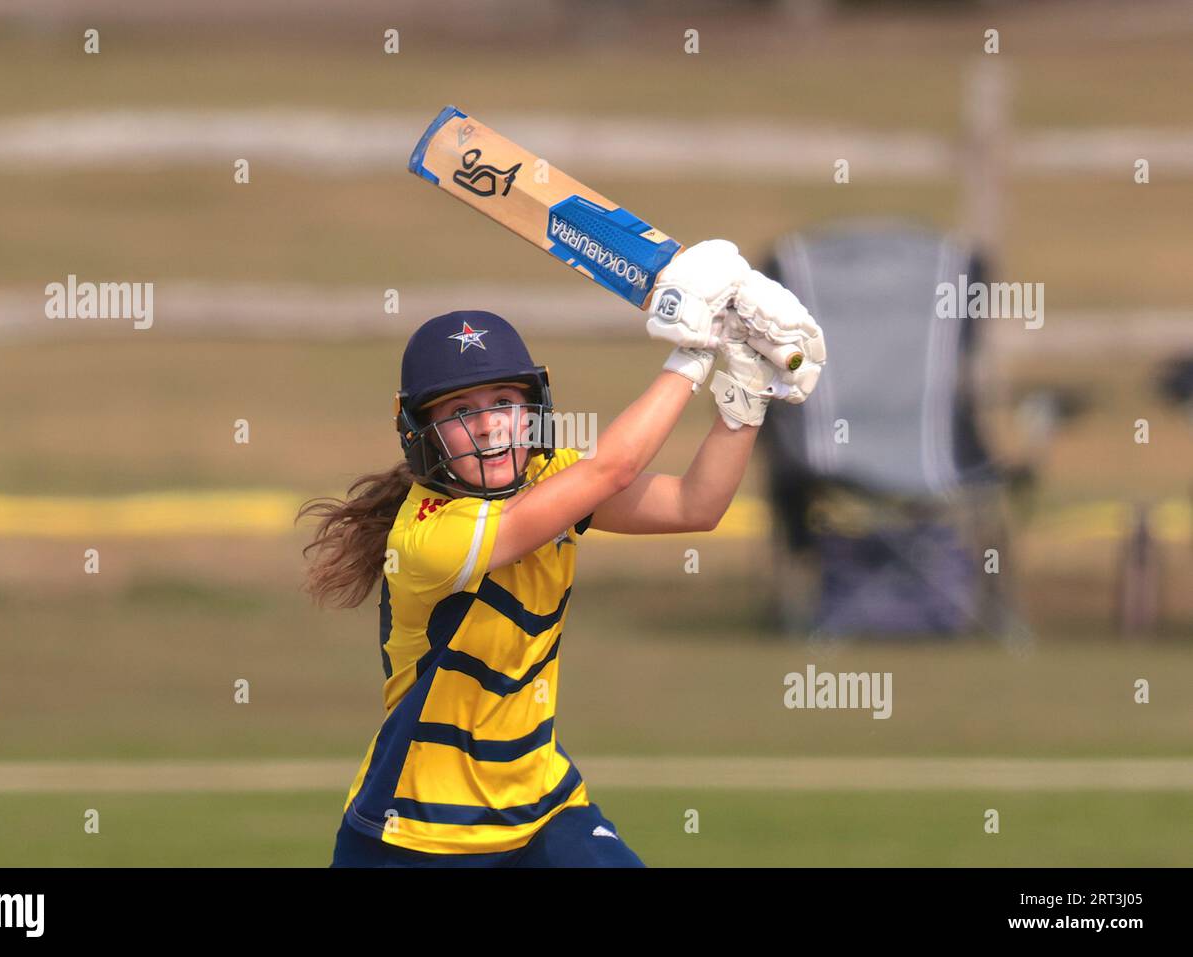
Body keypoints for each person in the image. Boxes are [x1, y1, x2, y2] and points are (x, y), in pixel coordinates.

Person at [299, 240, 825, 867]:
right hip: (417, 831)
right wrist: (693, 353)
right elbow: (612, 468)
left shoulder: (552, 477)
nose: (489, 425)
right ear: (422, 434)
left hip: (541, 805)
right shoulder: (430, 536)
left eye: (503, 402)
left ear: (533, 409)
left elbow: (694, 505)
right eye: (460, 411)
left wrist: (746, 392)